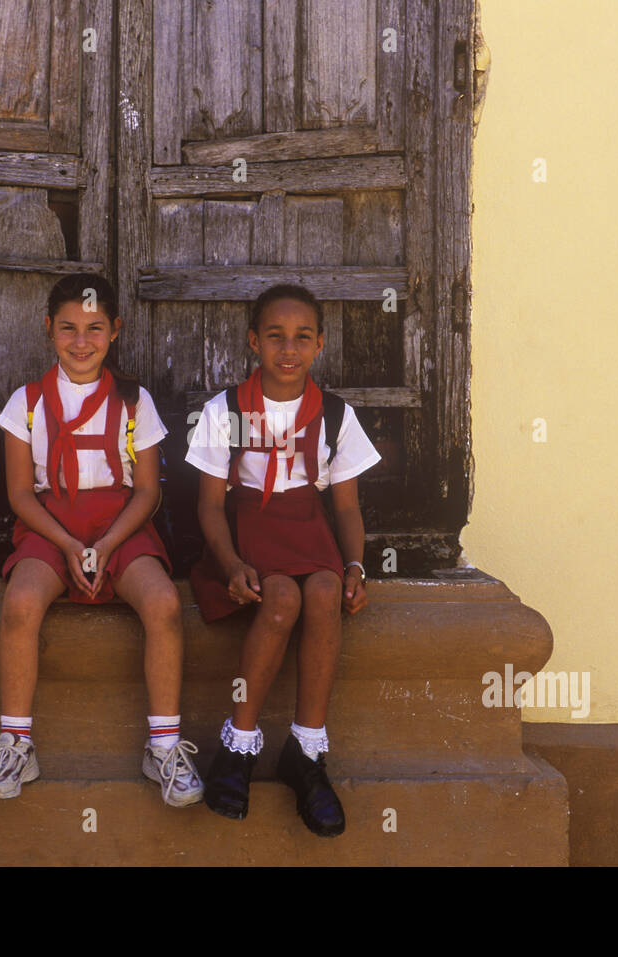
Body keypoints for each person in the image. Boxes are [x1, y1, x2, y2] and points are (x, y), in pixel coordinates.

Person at [0, 273, 203, 808]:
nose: (82, 342)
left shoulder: (133, 402)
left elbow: (147, 491)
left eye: (95, 328)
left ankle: (164, 747)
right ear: (48, 329)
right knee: (21, 604)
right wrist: (72, 546)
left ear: (115, 330)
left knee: (166, 603)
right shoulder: (26, 403)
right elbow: (19, 495)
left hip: (122, 525)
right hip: (50, 525)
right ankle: (16, 744)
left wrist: (104, 545)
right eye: (69, 328)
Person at [185, 283, 381, 836]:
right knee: (282, 598)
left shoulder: (335, 416)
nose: (288, 350)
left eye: (301, 338)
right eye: (275, 337)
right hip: (246, 528)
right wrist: (228, 564)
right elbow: (208, 504)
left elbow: (344, 506)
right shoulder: (227, 411)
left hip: (306, 527)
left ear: (320, 344)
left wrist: (355, 567)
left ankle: (306, 750)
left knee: (322, 594)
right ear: (254, 342)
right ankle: (238, 746)